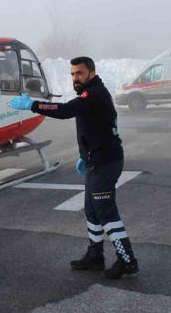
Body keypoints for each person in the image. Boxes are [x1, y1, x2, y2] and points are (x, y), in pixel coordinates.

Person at [10, 56, 139, 279]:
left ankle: (127, 260)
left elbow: (65, 110)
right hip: (94, 160)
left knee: (106, 212)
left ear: (91, 72)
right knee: (91, 211)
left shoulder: (94, 93)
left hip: (104, 162)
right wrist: (84, 155)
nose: (75, 78)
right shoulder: (90, 94)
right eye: (72, 74)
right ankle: (95, 256)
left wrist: (33, 105)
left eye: (79, 73)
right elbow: (94, 126)